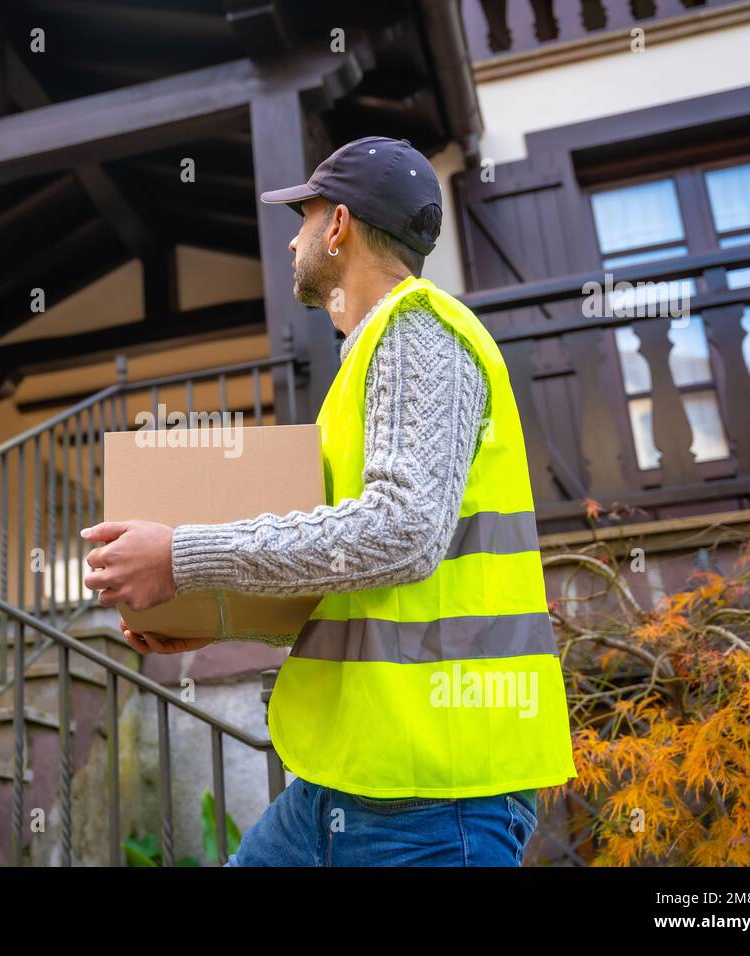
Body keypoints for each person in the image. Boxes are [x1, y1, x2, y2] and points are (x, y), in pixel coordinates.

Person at [80, 136, 577, 866]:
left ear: (338, 226)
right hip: (340, 787)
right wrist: (219, 618)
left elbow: (403, 535)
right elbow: (375, 598)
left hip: (436, 801)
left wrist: (182, 557)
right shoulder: (371, 361)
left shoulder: (417, 332)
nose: (292, 242)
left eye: (304, 219)